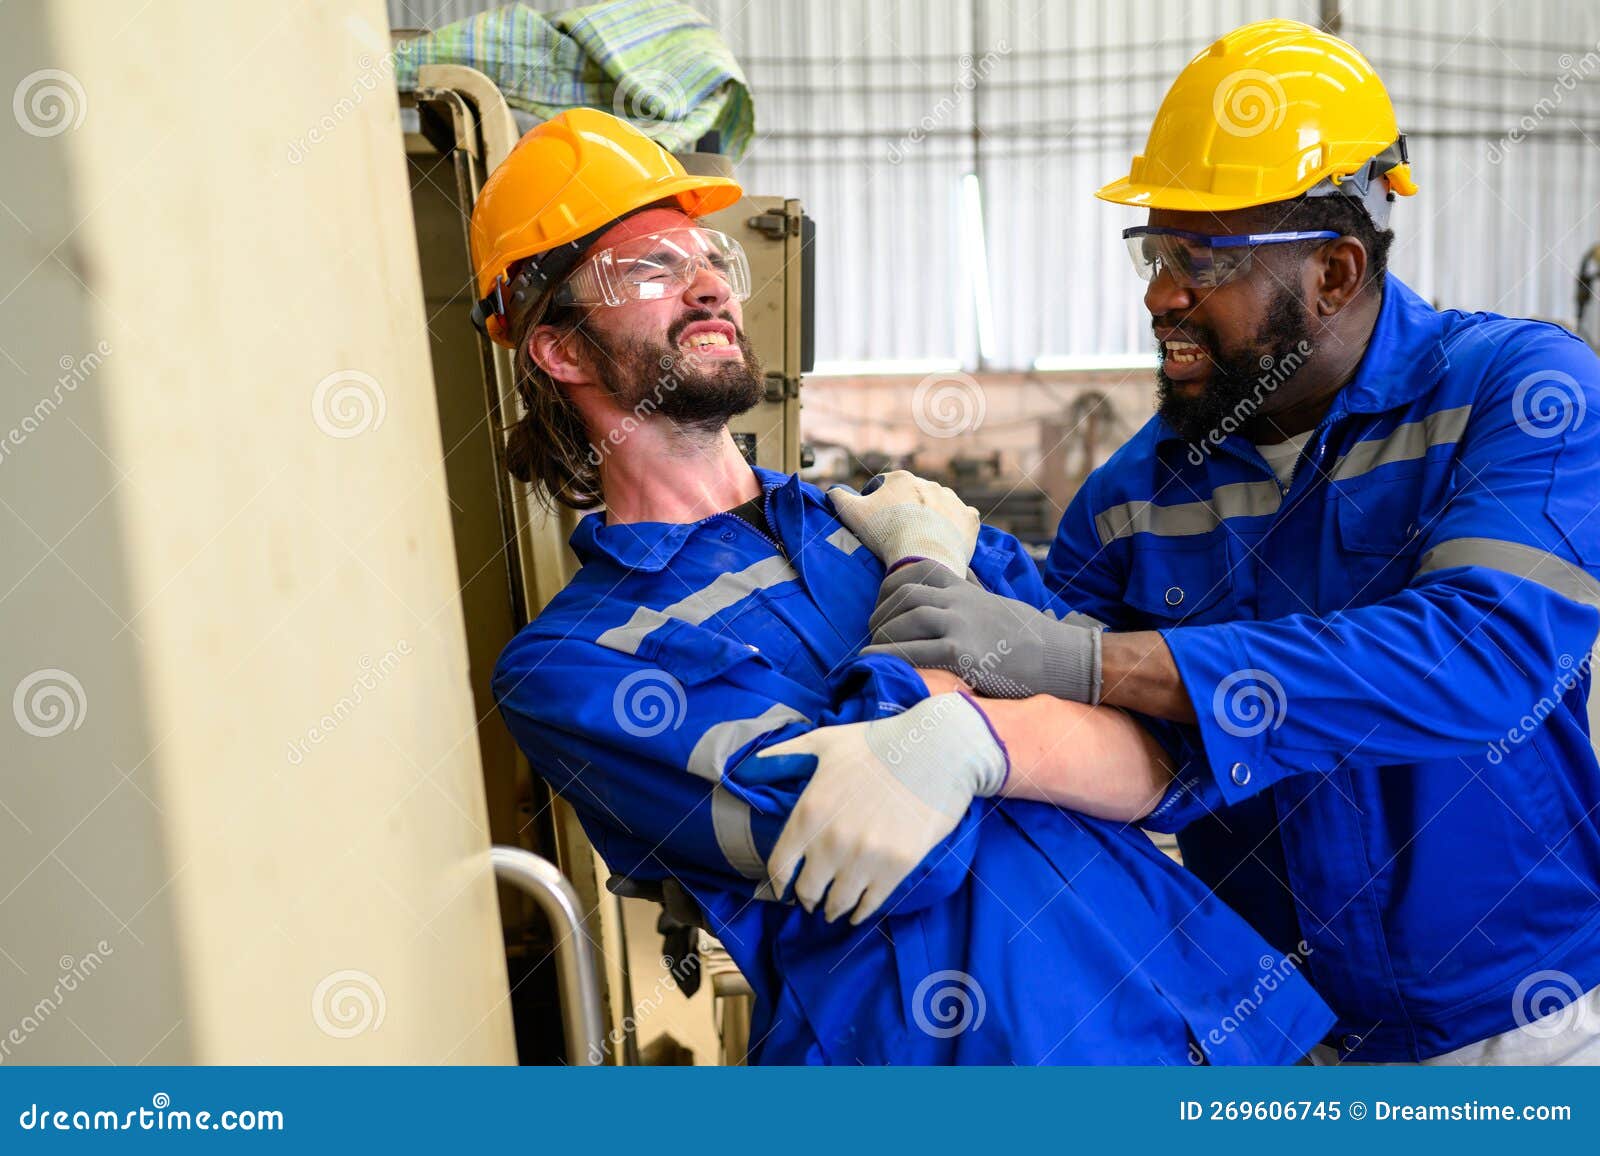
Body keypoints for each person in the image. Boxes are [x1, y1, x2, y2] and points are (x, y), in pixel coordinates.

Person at [806, 20, 1600, 1065]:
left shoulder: (1515, 394)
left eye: (1201, 259)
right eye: (1153, 251)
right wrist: (955, 656)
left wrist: (1091, 660)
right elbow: (1104, 740)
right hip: (1267, 1027)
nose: (1157, 295)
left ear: (1333, 269)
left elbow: (1480, 657)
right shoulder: (1131, 496)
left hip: (1518, 1021)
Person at [478, 108, 1332, 1064]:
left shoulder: (885, 515)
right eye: (649, 268)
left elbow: (1160, 767)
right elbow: (891, 851)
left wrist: (968, 741)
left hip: (1208, 1030)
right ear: (556, 349)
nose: (711, 285)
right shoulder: (573, 667)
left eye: (707, 255)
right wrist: (935, 600)